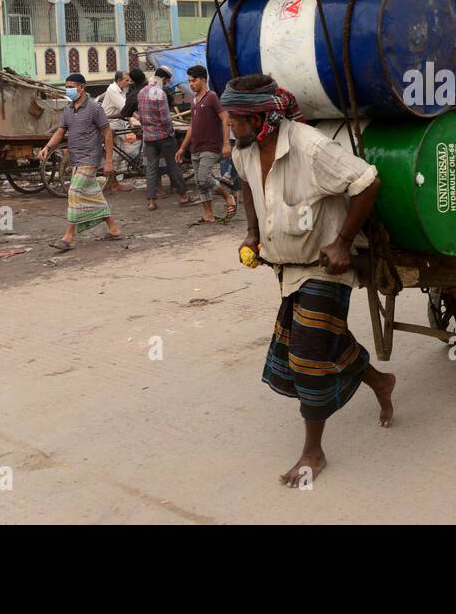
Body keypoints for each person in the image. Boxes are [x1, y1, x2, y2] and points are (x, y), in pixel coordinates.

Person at [223, 73, 395, 488]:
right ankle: (380, 381)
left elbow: (367, 181)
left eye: (236, 118)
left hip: (325, 267)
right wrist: (252, 233)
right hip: (288, 267)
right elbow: (247, 187)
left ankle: (313, 450)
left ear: (261, 117)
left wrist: (343, 242)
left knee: (308, 355)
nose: (229, 124)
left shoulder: (310, 146)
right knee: (328, 340)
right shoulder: (245, 150)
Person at [39, 73, 123, 250]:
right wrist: (47, 147)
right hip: (75, 160)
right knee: (93, 195)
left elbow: (107, 133)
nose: (68, 89)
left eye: (71, 86)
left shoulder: (95, 108)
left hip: (90, 158)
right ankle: (114, 228)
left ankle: (68, 237)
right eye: (66, 86)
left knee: (75, 192)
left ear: (81, 88)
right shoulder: (68, 110)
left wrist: (108, 161)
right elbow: (60, 132)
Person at [176, 65, 237, 225]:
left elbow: (225, 118)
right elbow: (192, 126)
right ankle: (209, 214)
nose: (191, 84)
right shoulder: (194, 100)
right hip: (196, 146)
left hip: (210, 146)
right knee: (199, 183)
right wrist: (182, 147)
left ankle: (228, 196)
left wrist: (226, 143)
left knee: (204, 179)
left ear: (203, 80)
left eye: (194, 80)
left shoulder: (212, 97)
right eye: (189, 81)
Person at [137, 66, 191, 211]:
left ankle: (151, 201)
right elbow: (166, 118)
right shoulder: (160, 94)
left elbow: (141, 117)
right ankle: (183, 196)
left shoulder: (142, 92)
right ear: (165, 79)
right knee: (173, 165)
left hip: (148, 137)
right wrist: (170, 132)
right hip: (163, 136)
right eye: (167, 81)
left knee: (151, 168)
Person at [98, 70, 133, 193]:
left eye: (129, 80)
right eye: (126, 80)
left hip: (116, 124)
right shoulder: (113, 90)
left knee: (116, 154)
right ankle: (114, 184)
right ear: (118, 80)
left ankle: (112, 183)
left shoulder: (122, 90)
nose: (128, 83)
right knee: (112, 155)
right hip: (109, 125)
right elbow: (125, 107)